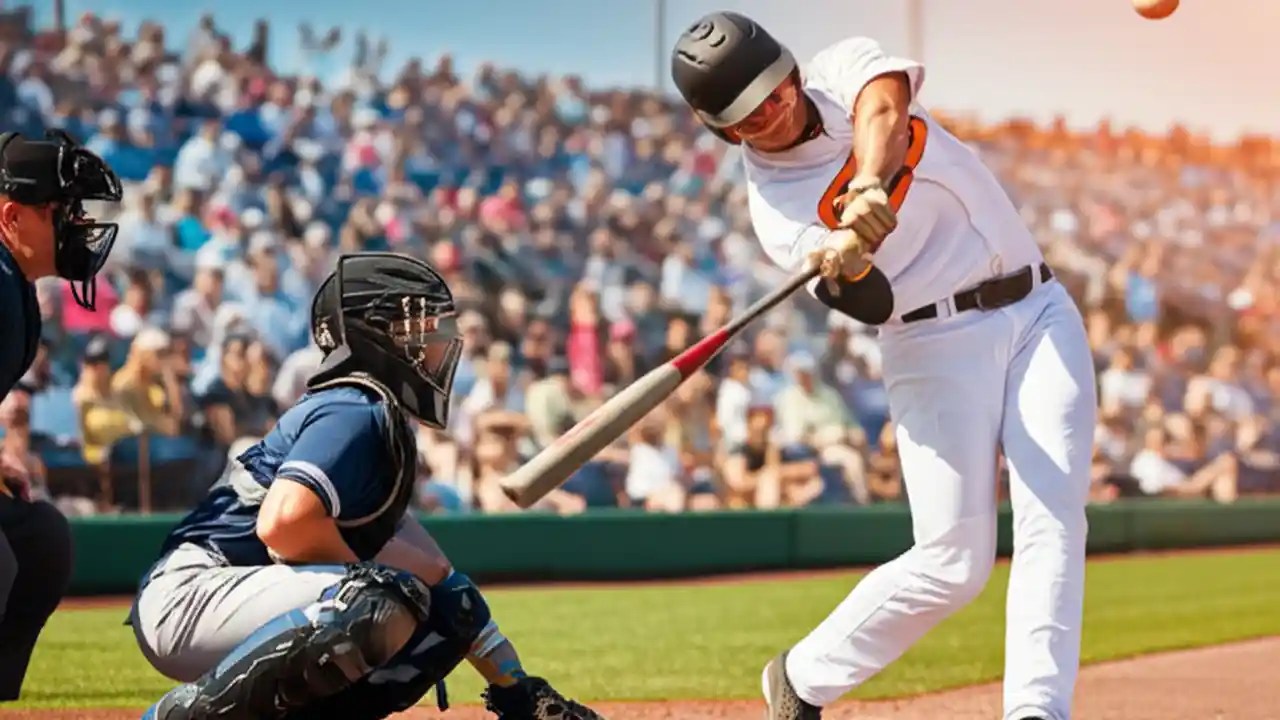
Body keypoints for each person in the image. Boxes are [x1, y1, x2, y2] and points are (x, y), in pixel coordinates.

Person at [671, 13, 1096, 720]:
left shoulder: (841, 66)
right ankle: (802, 677)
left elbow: (886, 105)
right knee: (954, 563)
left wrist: (868, 182)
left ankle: (1036, 710)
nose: (774, 108)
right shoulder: (776, 208)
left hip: (1040, 308)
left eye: (775, 86)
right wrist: (842, 257)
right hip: (934, 346)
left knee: (1054, 515)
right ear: (726, 129)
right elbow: (867, 303)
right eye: (750, 112)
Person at [132, 253, 604, 720]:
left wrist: (515, 687)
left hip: (239, 595)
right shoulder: (354, 408)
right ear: (382, 333)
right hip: (195, 592)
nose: (446, 341)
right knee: (378, 600)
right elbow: (284, 525)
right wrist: (375, 571)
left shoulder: (376, 419)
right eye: (429, 326)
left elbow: (442, 577)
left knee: (435, 611)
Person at [0, 129, 122, 700]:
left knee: (40, 541)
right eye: (61, 210)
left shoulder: (15, 285)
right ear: (12, 216)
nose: (77, 223)